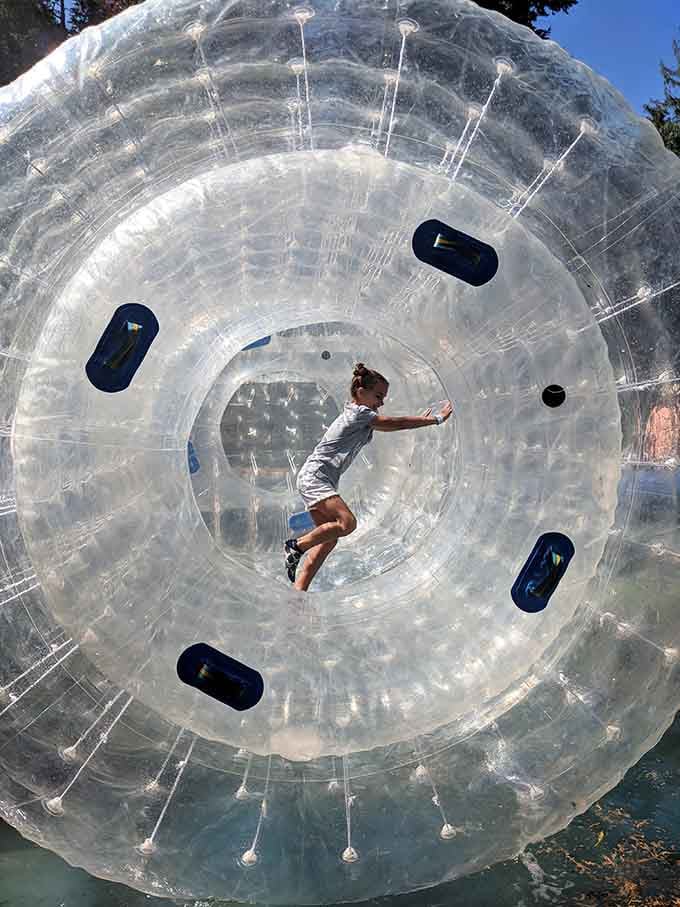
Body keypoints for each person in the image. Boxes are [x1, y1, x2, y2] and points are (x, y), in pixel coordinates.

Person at [284, 363, 453, 591]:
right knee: (348, 523)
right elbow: (397, 423)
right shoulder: (360, 414)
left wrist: (417, 420)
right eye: (378, 396)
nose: (381, 402)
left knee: (328, 540)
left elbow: (397, 422)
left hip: (316, 477)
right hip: (316, 477)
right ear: (361, 393)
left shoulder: (359, 414)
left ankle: (298, 593)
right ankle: (296, 546)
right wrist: (435, 420)